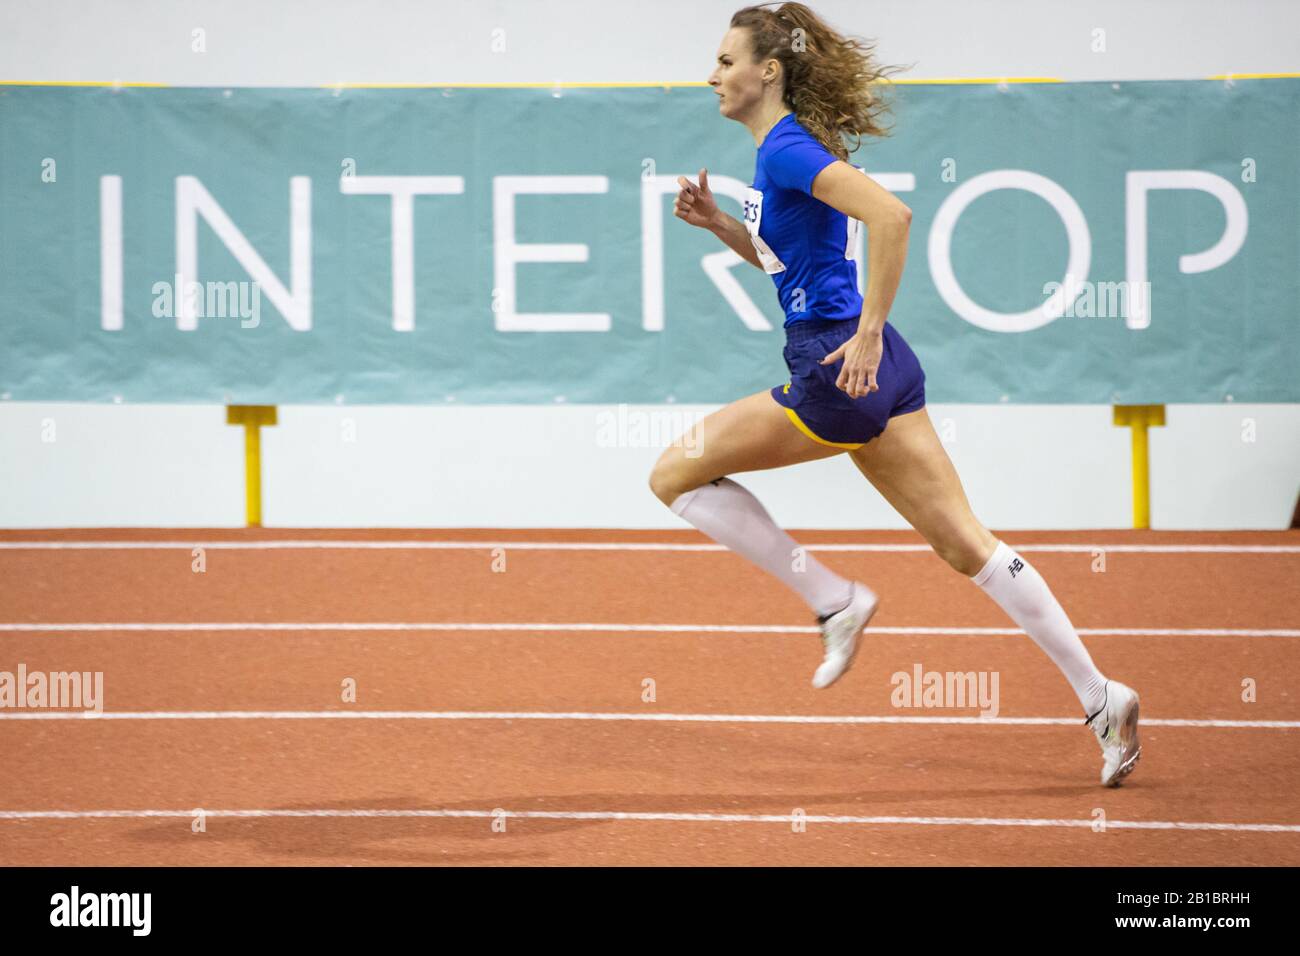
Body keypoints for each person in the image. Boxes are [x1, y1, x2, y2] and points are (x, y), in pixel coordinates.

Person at [647, 2, 1140, 786]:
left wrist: (869, 330)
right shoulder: (785, 153)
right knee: (966, 545)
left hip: (840, 369)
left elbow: (892, 215)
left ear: (766, 72)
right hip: (883, 369)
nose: (712, 75)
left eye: (725, 60)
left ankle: (834, 599)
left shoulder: (782, 152)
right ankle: (1101, 696)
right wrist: (721, 227)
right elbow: (794, 264)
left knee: (673, 473)